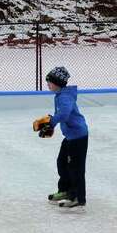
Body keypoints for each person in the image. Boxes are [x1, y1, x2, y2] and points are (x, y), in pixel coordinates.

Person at [33, 66, 89, 209]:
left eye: (49, 82)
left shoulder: (64, 97)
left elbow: (64, 114)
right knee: (62, 163)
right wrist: (52, 125)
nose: (47, 84)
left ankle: (77, 196)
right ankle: (65, 190)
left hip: (78, 137)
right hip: (70, 136)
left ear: (57, 82)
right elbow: (63, 116)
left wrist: (51, 122)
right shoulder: (60, 95)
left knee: (75, 168)